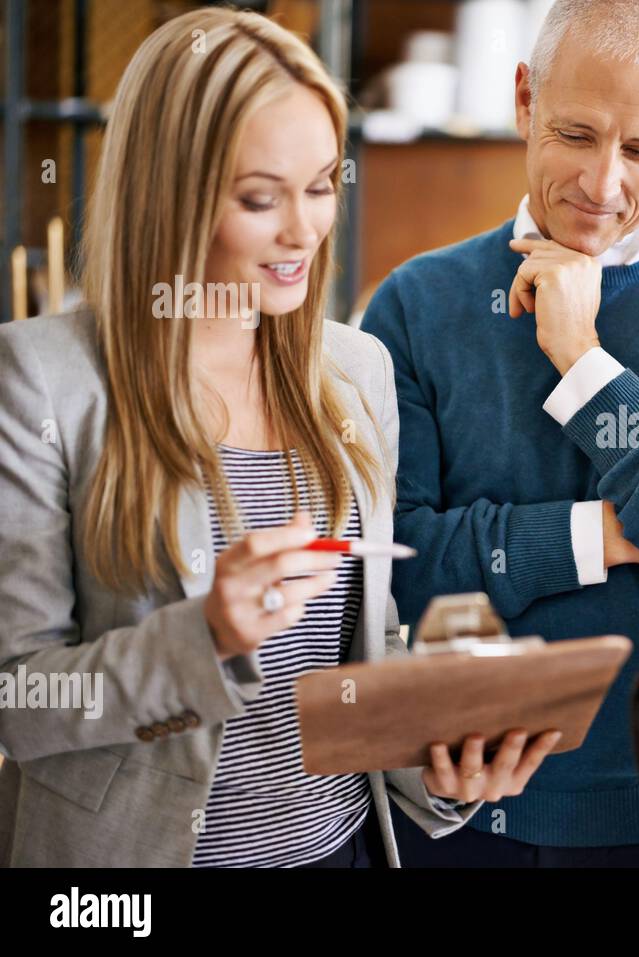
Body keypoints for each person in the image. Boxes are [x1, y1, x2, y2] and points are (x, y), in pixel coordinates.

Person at [0, 8, 557, 868]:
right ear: (170, 192)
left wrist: (446, 763)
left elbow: (361, 648)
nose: (305, 230)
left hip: (337, 849)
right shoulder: (44, 379)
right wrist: (206, 636)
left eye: (323, 185)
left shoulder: (358, 370)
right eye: (261, 198)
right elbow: (22, 696)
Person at [363, 0, 639, 866]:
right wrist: (607, 534)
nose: (604, 186)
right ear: (524, 101)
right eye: (575, 134)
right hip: (454, 804)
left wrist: (587, 363)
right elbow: (398, 567)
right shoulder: (415, 304)